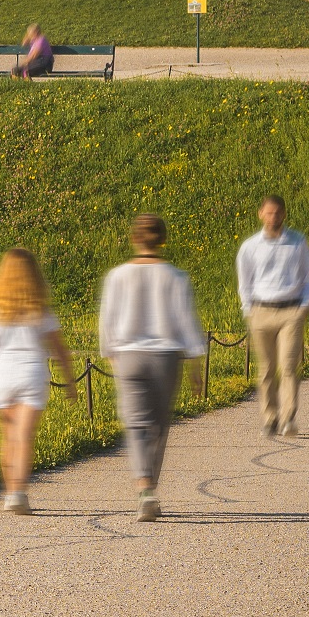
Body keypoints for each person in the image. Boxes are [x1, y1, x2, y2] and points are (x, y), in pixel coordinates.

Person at [99, 216, 201, 519]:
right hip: (166, 355)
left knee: (136, 424)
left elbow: (107, 318)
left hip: (128, 355)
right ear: (162, 239)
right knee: (158, 425)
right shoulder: (175, 276)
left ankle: (144, 489)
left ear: (135, 239)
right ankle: (150, 489)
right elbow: (186, 321)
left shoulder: (117, 276)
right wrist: (195, 363)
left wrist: (111, 353)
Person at [0, 248, 70, 513]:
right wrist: (71, 382)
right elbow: (59, 350)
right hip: (32, 375)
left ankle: (10, 493)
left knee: (8, 438)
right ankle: (19, 491)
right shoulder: (41, 311)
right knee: (24, 437)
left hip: (3, 376)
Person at [235, 195, 309, 435]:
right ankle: (270, 418)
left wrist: (304, 305)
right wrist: (248, 309)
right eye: (269, 213)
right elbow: (245, 282)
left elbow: (308, 278)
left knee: (289, 366)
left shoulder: (297, 242)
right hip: (261, 311)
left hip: (291, 311)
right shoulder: (250, 247)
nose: (273, 217)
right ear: (260, 213)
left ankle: (288, 418)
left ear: (284, 214)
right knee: (267, 368)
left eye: (277, 212)